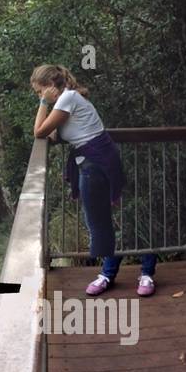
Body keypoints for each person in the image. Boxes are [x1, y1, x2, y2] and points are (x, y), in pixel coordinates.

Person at [31, 64, 155, 297]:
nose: (39, 96)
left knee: (111, 220)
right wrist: (48, 108)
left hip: (95, 164)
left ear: (50, 87)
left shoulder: (67, 98)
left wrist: (43, 103)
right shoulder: (67, 101)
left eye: (39, 91)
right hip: (96, 162)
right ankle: (110, 273)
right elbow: (51, 133)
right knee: (106, 220)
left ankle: (144, 272)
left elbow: (38, 132)